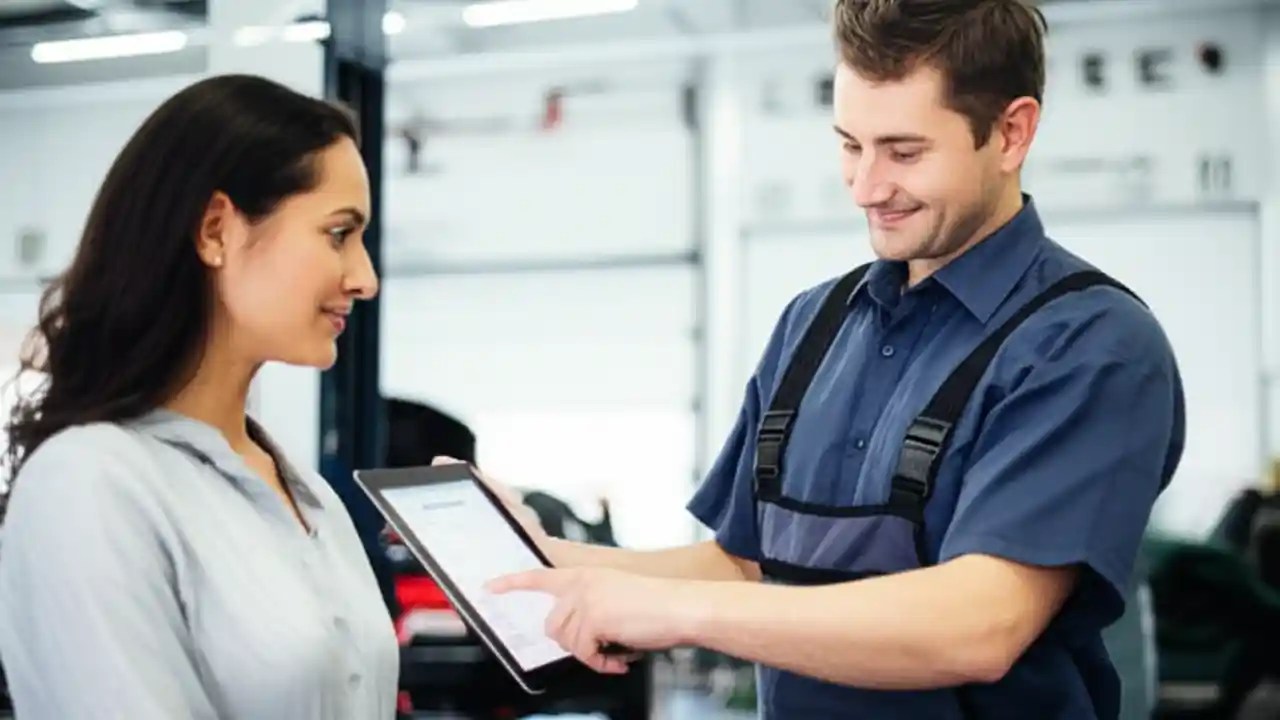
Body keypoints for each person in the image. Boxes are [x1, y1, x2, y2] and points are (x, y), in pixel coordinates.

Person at [471, 1, 1187, 718]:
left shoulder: (1090, 346)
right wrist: (545, 557)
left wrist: (673, 611)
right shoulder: (812, 325)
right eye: (850, 145)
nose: (867, 187)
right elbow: (747, 566)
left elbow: (979, 624)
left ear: (1011, 132)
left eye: (904, 152)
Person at [0, 74, 398, 719]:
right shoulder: (91, 482)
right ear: (216, 230)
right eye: (338, 234)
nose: (364, 278)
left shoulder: (305, 493)